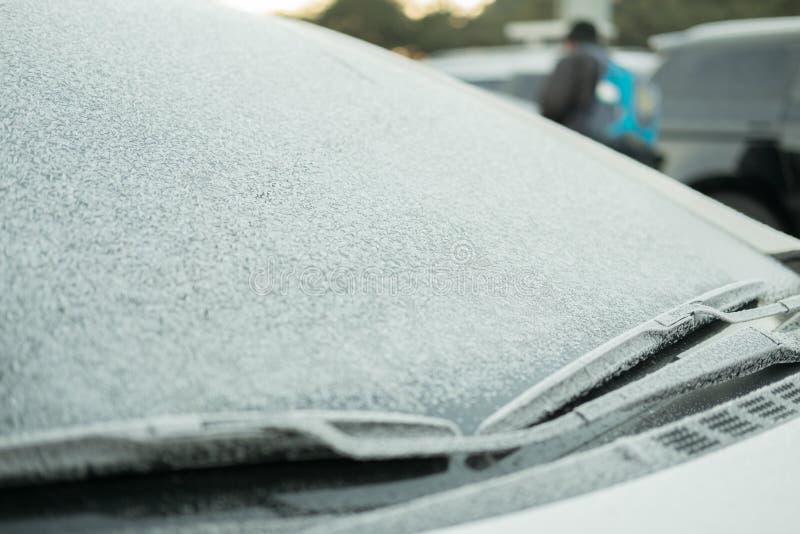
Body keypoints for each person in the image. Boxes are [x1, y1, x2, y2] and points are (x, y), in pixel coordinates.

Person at [540, 21, 663, 168]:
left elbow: (553, 105)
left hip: (589, 146)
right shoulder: (617, 68)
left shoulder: (576, 61)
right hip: (630, 148)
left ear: (571, 41)